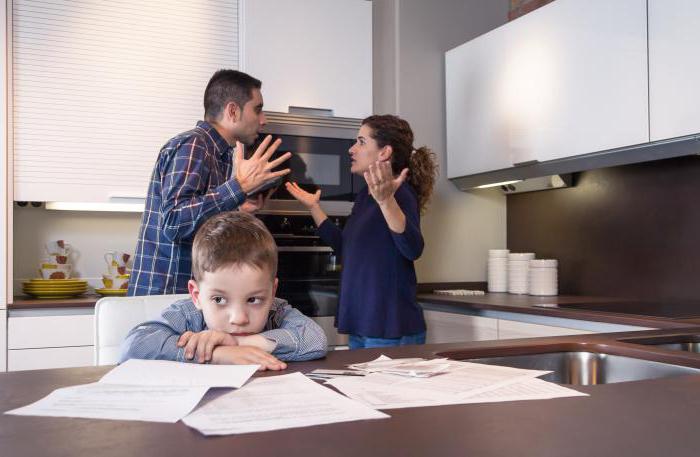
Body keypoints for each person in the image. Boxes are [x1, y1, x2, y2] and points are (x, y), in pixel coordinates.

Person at [128, 69, 291, 296]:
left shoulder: (220, 154)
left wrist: (239, 209)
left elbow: (197, 223)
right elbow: (175, 222)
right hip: (165, 296)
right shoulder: (195, 145)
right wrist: (239, 187)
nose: (264, 120)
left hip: (184, 295)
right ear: (232, 111)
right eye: (258, 109)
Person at [285, 114, 437, 349]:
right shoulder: (366, 196)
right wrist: (314, 207)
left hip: (389, 328)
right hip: (363, 325)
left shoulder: (399, 193)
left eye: (361, 142)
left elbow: (413, 248)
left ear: (384, 152)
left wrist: (387, 201)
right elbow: (346, 248)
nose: (352, 149)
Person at [120, 211, 328, 369]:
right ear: (196, 295)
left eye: (253, 300)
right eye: (219, 299)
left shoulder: (277, 310)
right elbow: (134, 346)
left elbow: (315, 340)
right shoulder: (187, 314)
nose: (238, 319)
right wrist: (218, 354)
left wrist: (238, 342)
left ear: (272, 292)